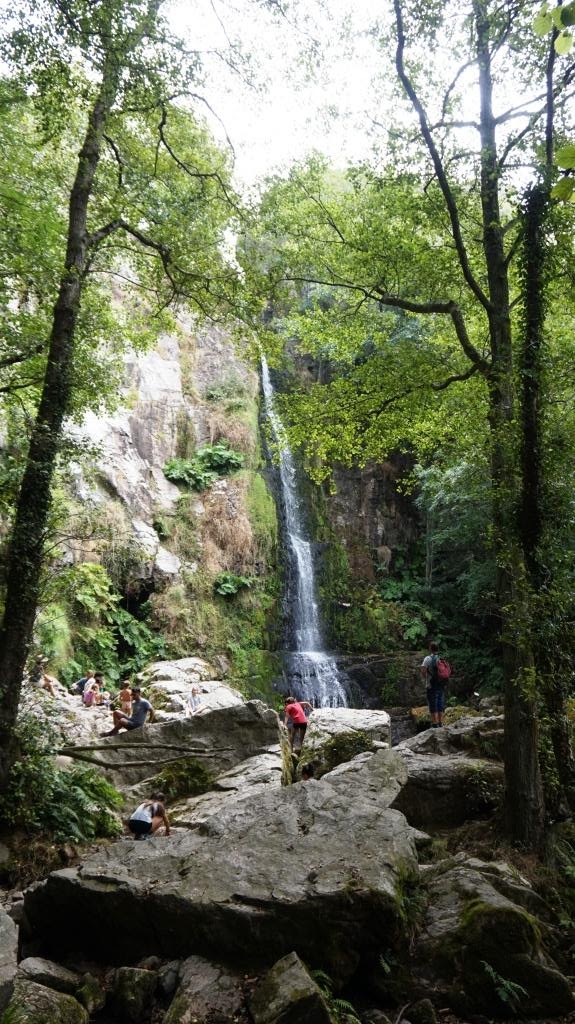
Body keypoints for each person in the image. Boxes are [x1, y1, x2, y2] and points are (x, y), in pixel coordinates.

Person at [421, 641, 446, 729]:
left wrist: (427, 678)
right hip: (441, 683)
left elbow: (423, 671)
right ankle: (441, 722)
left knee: (432, 702)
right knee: (440, 701)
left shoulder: (427, 659)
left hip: (431, 684)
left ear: (430, 649)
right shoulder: (441, 658)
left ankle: (435, 723)